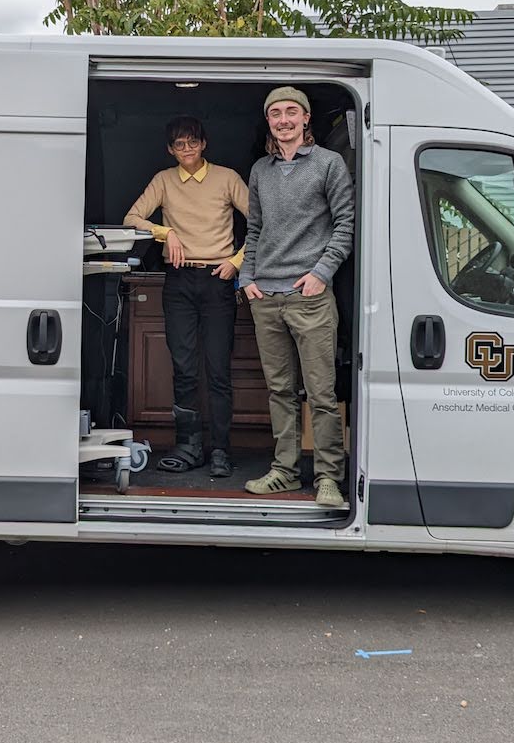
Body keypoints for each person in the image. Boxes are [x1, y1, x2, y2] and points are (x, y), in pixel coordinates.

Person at [239, 86, 355, 508]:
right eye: (275, 113)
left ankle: (328, 478)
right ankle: (285, 472)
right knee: (280, 392)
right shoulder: (259, 171)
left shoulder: (329, 164)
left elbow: (345, 224)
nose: (283, 120)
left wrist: (320, 274)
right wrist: (246, 278)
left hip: (309, 298)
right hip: (265, 296)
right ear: (268, 121)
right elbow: (253, 231)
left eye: (291, 112)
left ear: (306, 118)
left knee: (322, 395)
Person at [124, 116, 248, 478]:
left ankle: (222, 450)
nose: (187, 149)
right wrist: (166, 233)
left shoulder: (227, 178)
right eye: (179, 144)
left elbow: (260, 223)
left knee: (218, 369)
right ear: (170, 149)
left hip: (218, 280)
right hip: (178, 282)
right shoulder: (163, 180)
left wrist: (237, 262)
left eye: (192, 142)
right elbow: (132, 218)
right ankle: (189, 446)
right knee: (184, 367)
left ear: (204, 144)